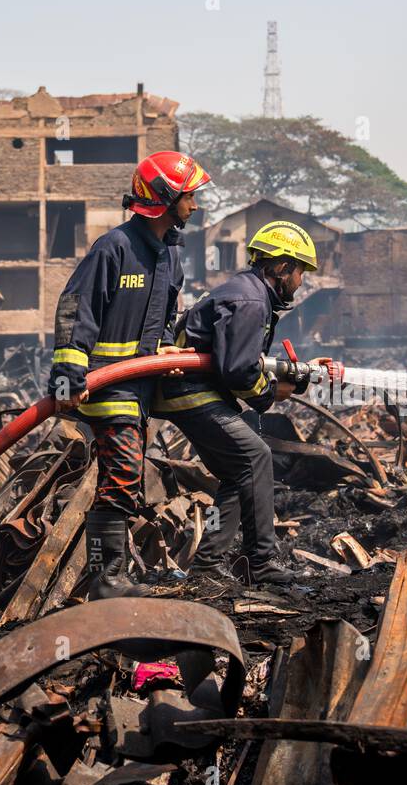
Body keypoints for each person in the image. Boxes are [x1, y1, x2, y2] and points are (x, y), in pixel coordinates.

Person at [48, 150, 210, 598]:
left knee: (124, 480)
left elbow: (159, 321)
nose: (194, 205)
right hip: (104, 386)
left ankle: (108, 578)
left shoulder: (169, 257)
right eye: (189, 195)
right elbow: (76, 310)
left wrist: (167, 352)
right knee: (121, 477)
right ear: (164, 195)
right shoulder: (115, 247)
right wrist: (68, 372)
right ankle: (107, 579)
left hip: (137, 389)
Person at [154, 221, 325, 585]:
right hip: (191, 394)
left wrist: (301, 372)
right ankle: (261, 562)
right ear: (281, 267)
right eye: (299, 272)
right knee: (257, 457)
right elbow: (238, 371)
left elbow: (240, 358)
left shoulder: (249, 293)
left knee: (237, 472)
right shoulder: (250, 301)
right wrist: (270, 394)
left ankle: (207, 563)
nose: (300, 282)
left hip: (190, 392)